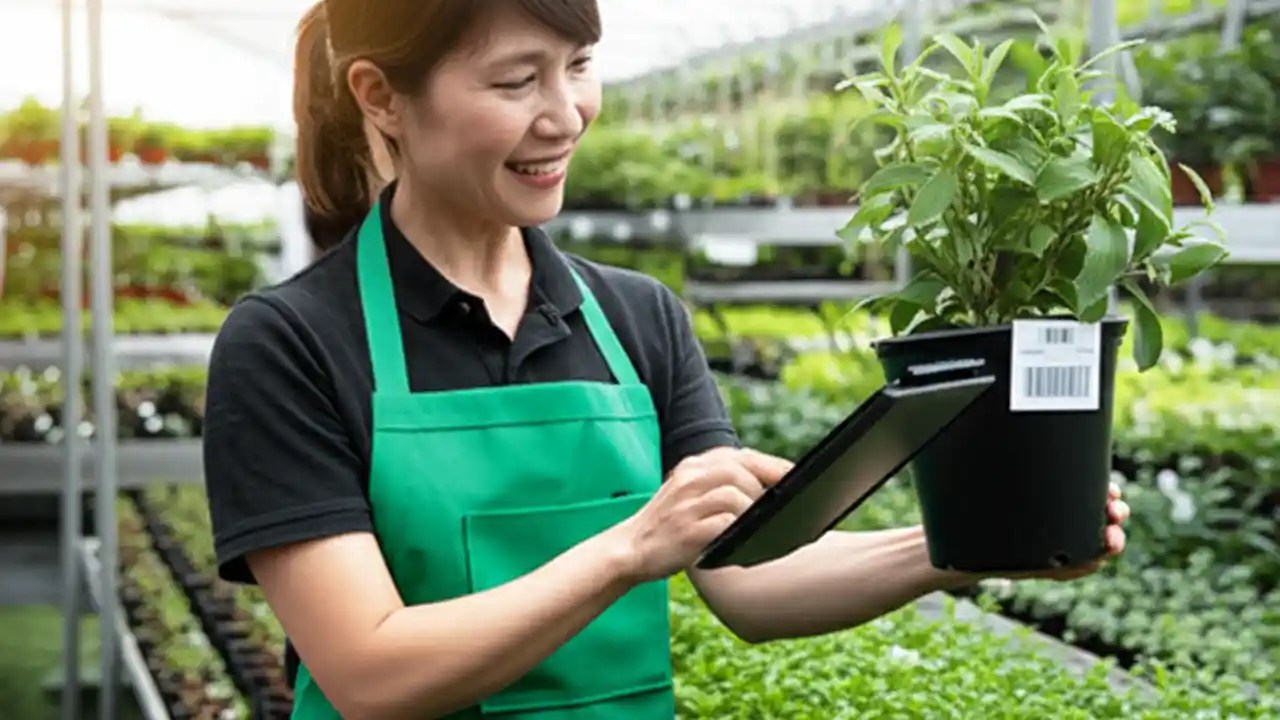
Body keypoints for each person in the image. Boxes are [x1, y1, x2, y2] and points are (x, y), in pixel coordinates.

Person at [200, 2, 1132, 719]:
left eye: (577, 67)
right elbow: (368, 668)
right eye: (515, 80)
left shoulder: (634, 316)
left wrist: (972, 546)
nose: (565, 116)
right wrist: (628, 550)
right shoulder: (291, 344)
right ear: (380, 97)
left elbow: (748, 578)